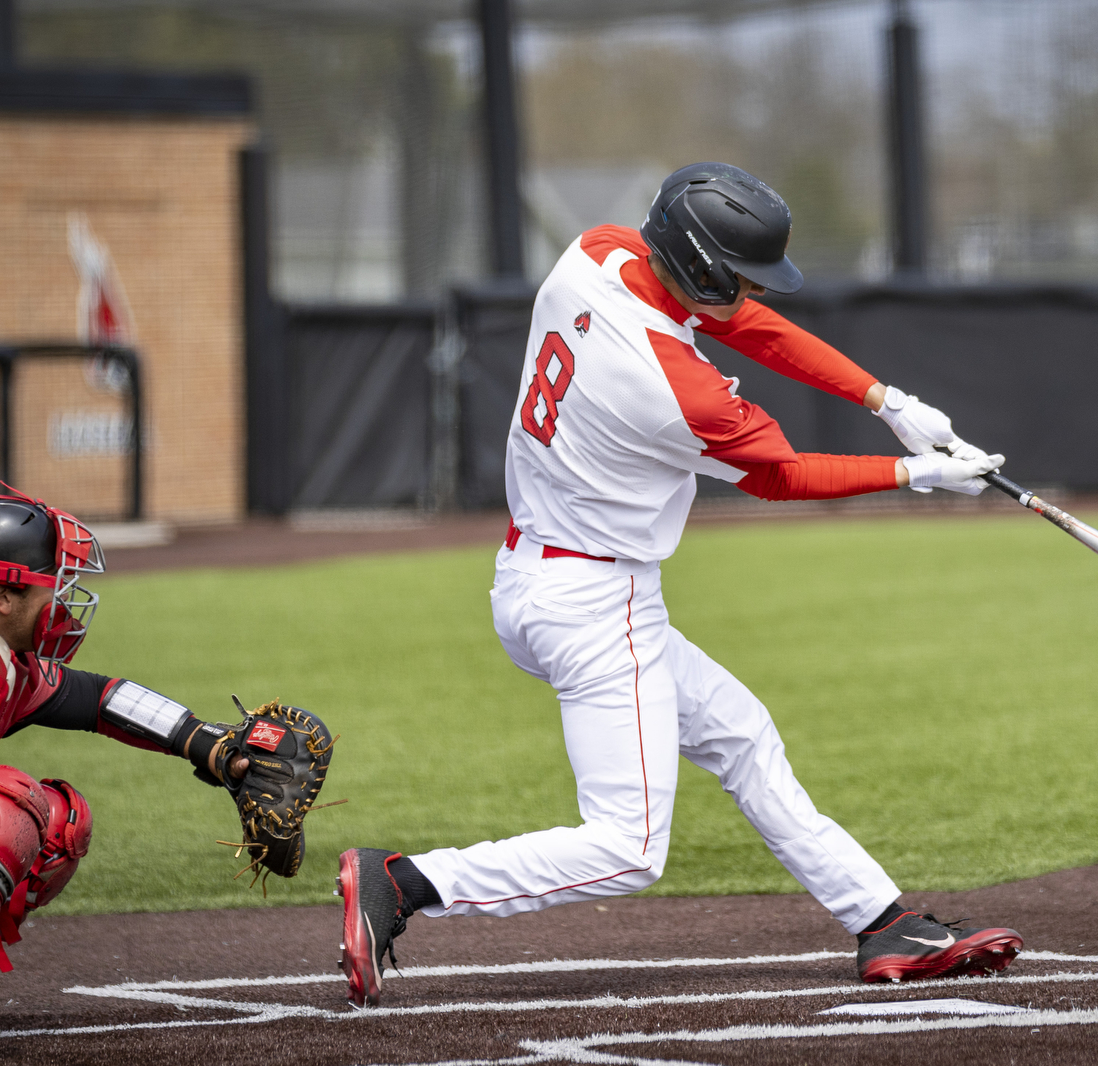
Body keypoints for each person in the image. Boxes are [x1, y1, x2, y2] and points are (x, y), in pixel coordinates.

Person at [338, 162, 1023, 1007]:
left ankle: (884, 922)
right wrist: (913, 473)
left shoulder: (596, 254)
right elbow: (781, 473)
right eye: (735, 274)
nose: (745, 291)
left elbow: (750, 326)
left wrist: (884, 397)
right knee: (628, 847)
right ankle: (404, 882)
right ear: (698, 265)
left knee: (741, 734)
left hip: (541, 573)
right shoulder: (672, 390)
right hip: (596, 603)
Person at [0, 491, 298, 1066]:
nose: (65, 597)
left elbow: (99, 699)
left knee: (59, 826)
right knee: (3, 813)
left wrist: (209, 745)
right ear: (4, 595)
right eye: (50, 581)